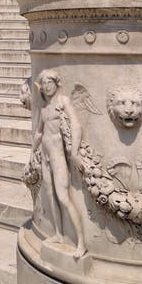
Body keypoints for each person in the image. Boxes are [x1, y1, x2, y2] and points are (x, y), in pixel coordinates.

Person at [33, 70, 86, 259]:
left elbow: (76, 125)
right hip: (45, 156)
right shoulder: (45, 108)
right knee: (50, 194)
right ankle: (58, 233)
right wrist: (32, 153)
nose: (47, 86)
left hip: (58, 157)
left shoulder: (63, 101)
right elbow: (39, 132)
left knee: (63, 197)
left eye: (50, 82)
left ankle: (81, 242)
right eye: (44, 83)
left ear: (56, 83)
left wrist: (74, 153)